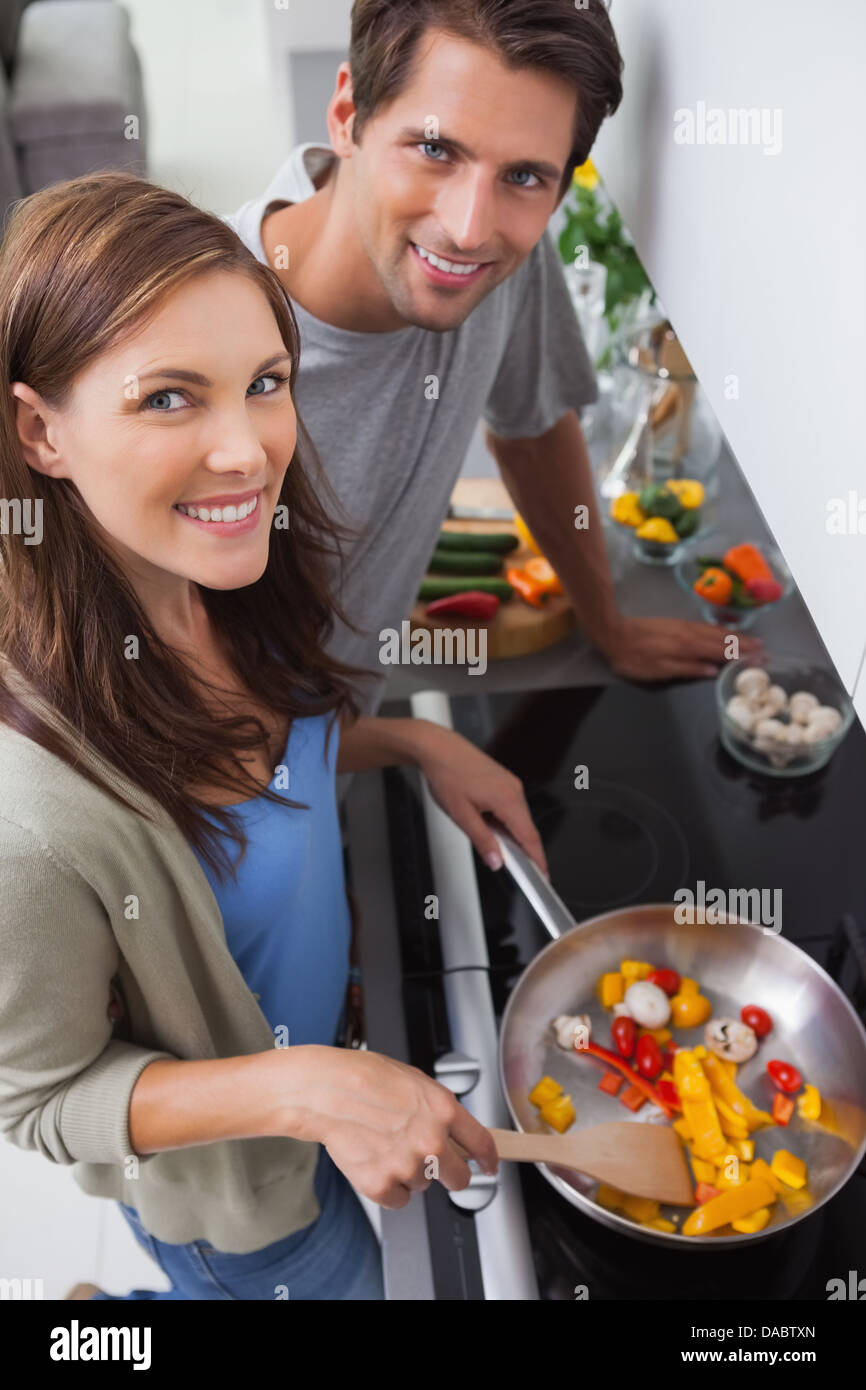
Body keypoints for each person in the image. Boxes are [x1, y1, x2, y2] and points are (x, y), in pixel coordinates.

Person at [0, 171, 556, 1301]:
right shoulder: (31, 809)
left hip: (327, 1049)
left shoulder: (231, 575)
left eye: (264, 383)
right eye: (168, 398)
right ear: (40, 430)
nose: (248, 451)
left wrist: (405, 744)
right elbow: (39, 1101)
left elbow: (259, 767)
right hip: (241, 1212)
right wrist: (300, 1089)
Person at [223, 0, 759, 707]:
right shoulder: (200, 340)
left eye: (525, 177)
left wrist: (607, 624)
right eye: (436, 150)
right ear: (348, 113)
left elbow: (533, 431)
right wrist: (400, 745)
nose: (469, 228)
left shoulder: (500, 267)